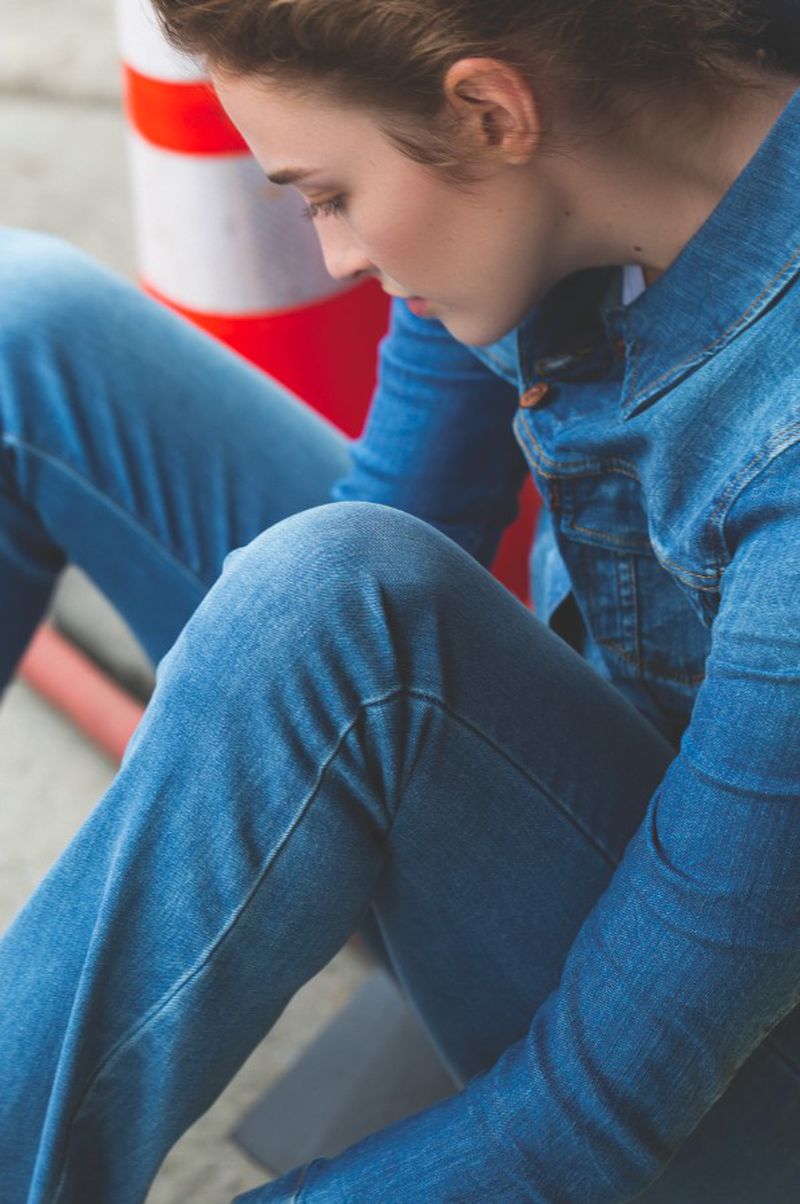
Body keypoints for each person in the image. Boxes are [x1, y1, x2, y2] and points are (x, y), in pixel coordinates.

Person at [1, 0, 800, 1199]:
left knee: (335, 608)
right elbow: (398, 518)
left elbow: (583, 1121)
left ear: (488, 109)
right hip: (578, 806)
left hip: (714, 1069)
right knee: (25, 329)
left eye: (326, 195)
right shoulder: (569, 155)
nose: (333, 257)